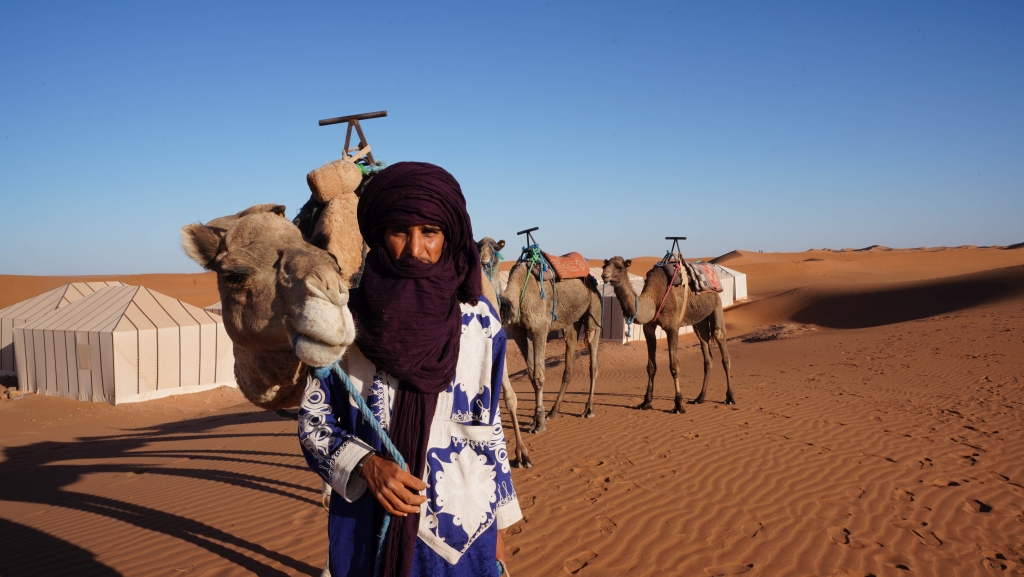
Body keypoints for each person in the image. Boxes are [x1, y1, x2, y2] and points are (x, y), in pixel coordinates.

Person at [298, 162, 522, 577]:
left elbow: (490, 430)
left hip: (463, 539)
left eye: (429, 232)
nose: (415, 249)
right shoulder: (344, 322)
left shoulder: (481, 323)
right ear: (380, 235)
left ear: (448, 237)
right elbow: (314, 423)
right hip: (369, 528)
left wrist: (499, 534)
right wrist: (365, 465)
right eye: (399, 231)